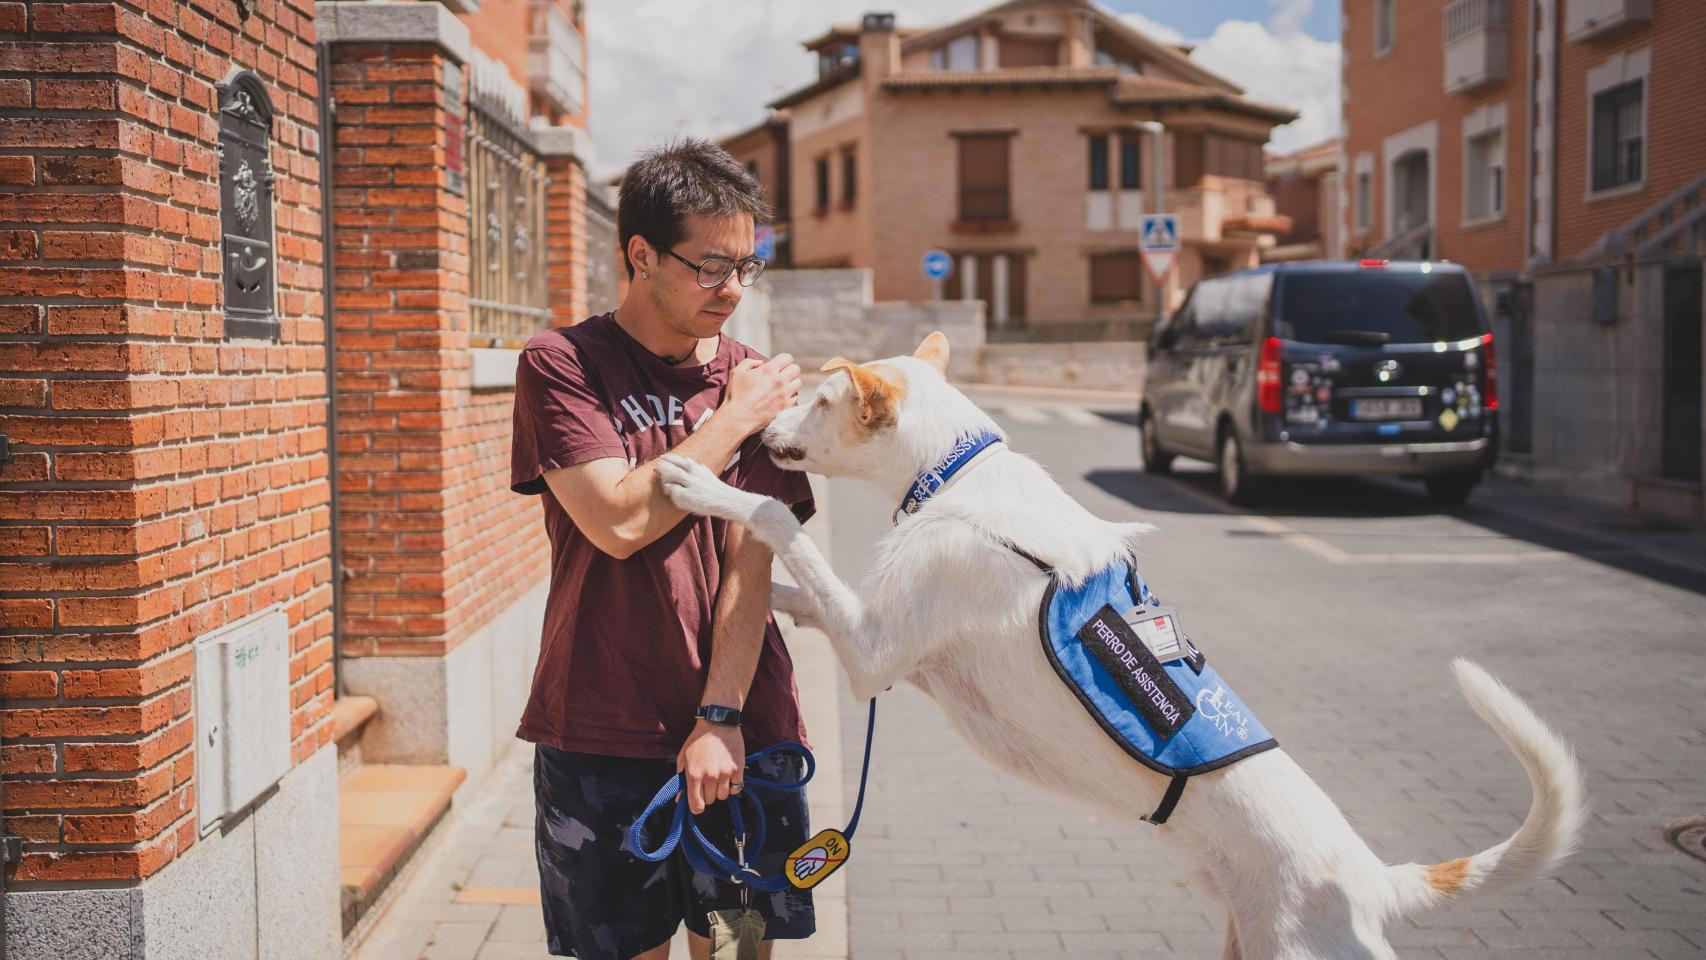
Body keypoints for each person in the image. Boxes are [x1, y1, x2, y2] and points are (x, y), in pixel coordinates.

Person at [509, 138, 813, 960]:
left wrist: (720, 716)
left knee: (738, 947)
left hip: (745, 728)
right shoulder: (563, 363)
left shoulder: (756, 382)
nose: (734, 290)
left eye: (747, 266)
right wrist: (733, 420)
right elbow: (616, 522)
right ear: (640, 254)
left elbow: (753, 563)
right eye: (710, 267)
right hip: (601, 726)